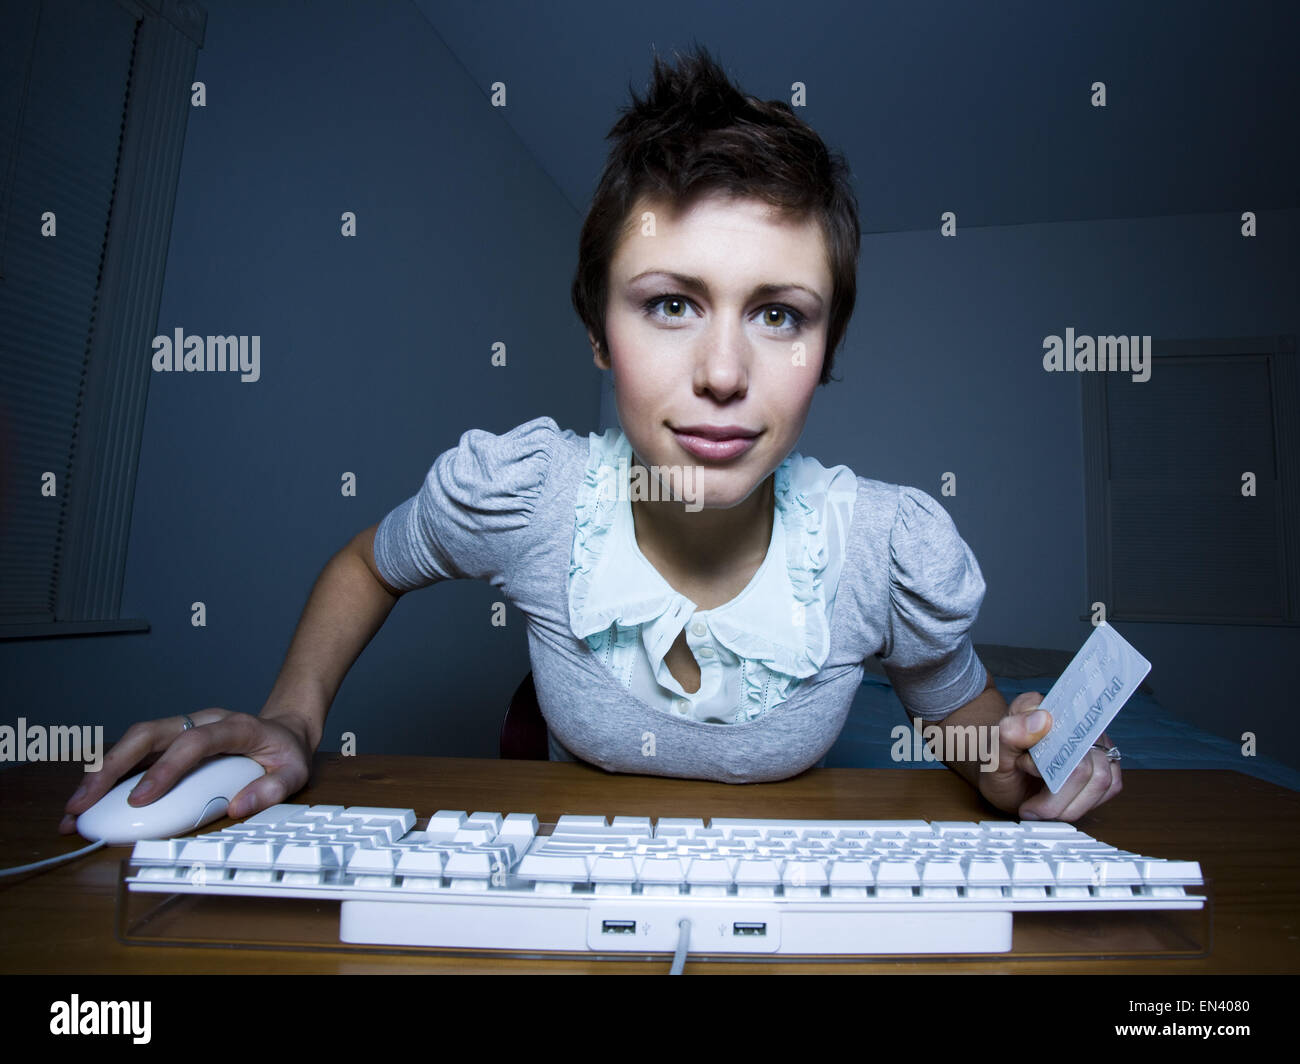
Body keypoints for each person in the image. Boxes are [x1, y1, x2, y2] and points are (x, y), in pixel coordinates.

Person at [60, 44, 1119, 834]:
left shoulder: (881, 551)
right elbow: (366, 562)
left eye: (779, 313)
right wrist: (290, 720)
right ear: (599, 335)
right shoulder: (529, 495)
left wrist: (1029, 757)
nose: (720, 371)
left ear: (824, 350)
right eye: (669, 304)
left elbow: (978, 747)